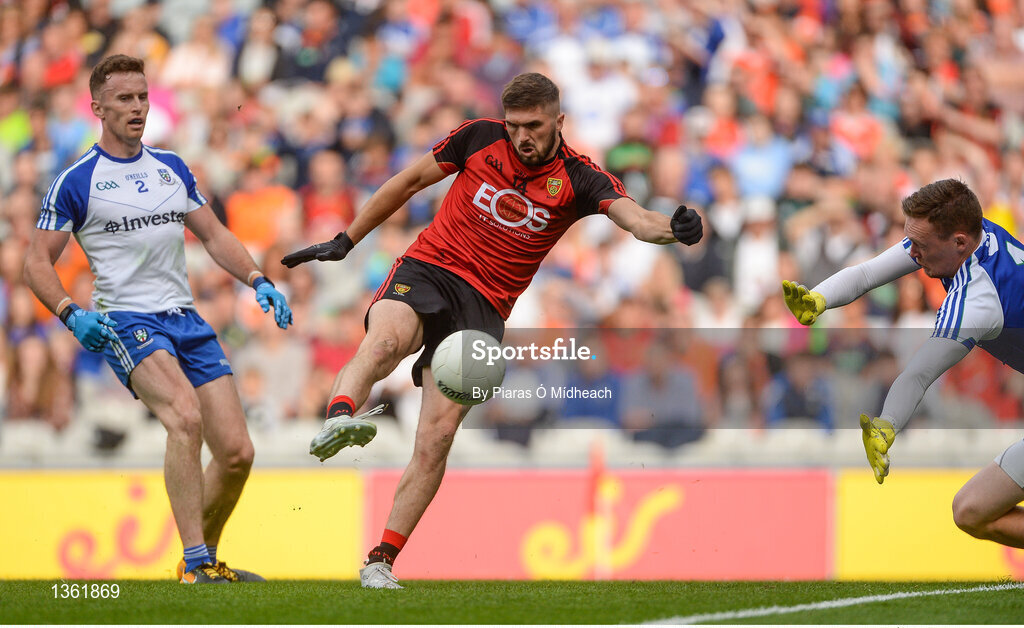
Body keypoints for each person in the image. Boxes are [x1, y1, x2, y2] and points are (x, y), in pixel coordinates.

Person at [281, 72, 703, 588]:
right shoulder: (479, 137)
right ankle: (338, 418)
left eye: (533, 126)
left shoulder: (581, 177)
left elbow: (636, 219)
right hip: (430, 267)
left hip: (484, 309)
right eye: (515, 125)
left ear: (558, 122)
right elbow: (410, 181)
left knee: (436, 437)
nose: (522, 136)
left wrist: (674, 228)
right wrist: (347, 239)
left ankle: (381, 561)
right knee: (385, 342)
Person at [23, 55, 293, 584]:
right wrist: (70, 314)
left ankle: (204, 561)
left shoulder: (171, 167)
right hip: (126, 320)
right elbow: (35, 262)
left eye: (143, 97)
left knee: (237, 453)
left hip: (184, 317)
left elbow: (214, 236)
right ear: (97, 107)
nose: (138, 108)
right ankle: (195, 565)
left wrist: (259, 279)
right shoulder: (77, 181)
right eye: (125, 98)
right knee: (184, 417)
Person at [781, 178, 1024, 550]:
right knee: (972, 510)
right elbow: (867, 274)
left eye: (922, 246)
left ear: (959, 241)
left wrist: (887, 425)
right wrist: (819, 299)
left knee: (974, 510)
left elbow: (919, 373)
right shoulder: (972, 230)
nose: (913, 254)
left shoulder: (978, 299)